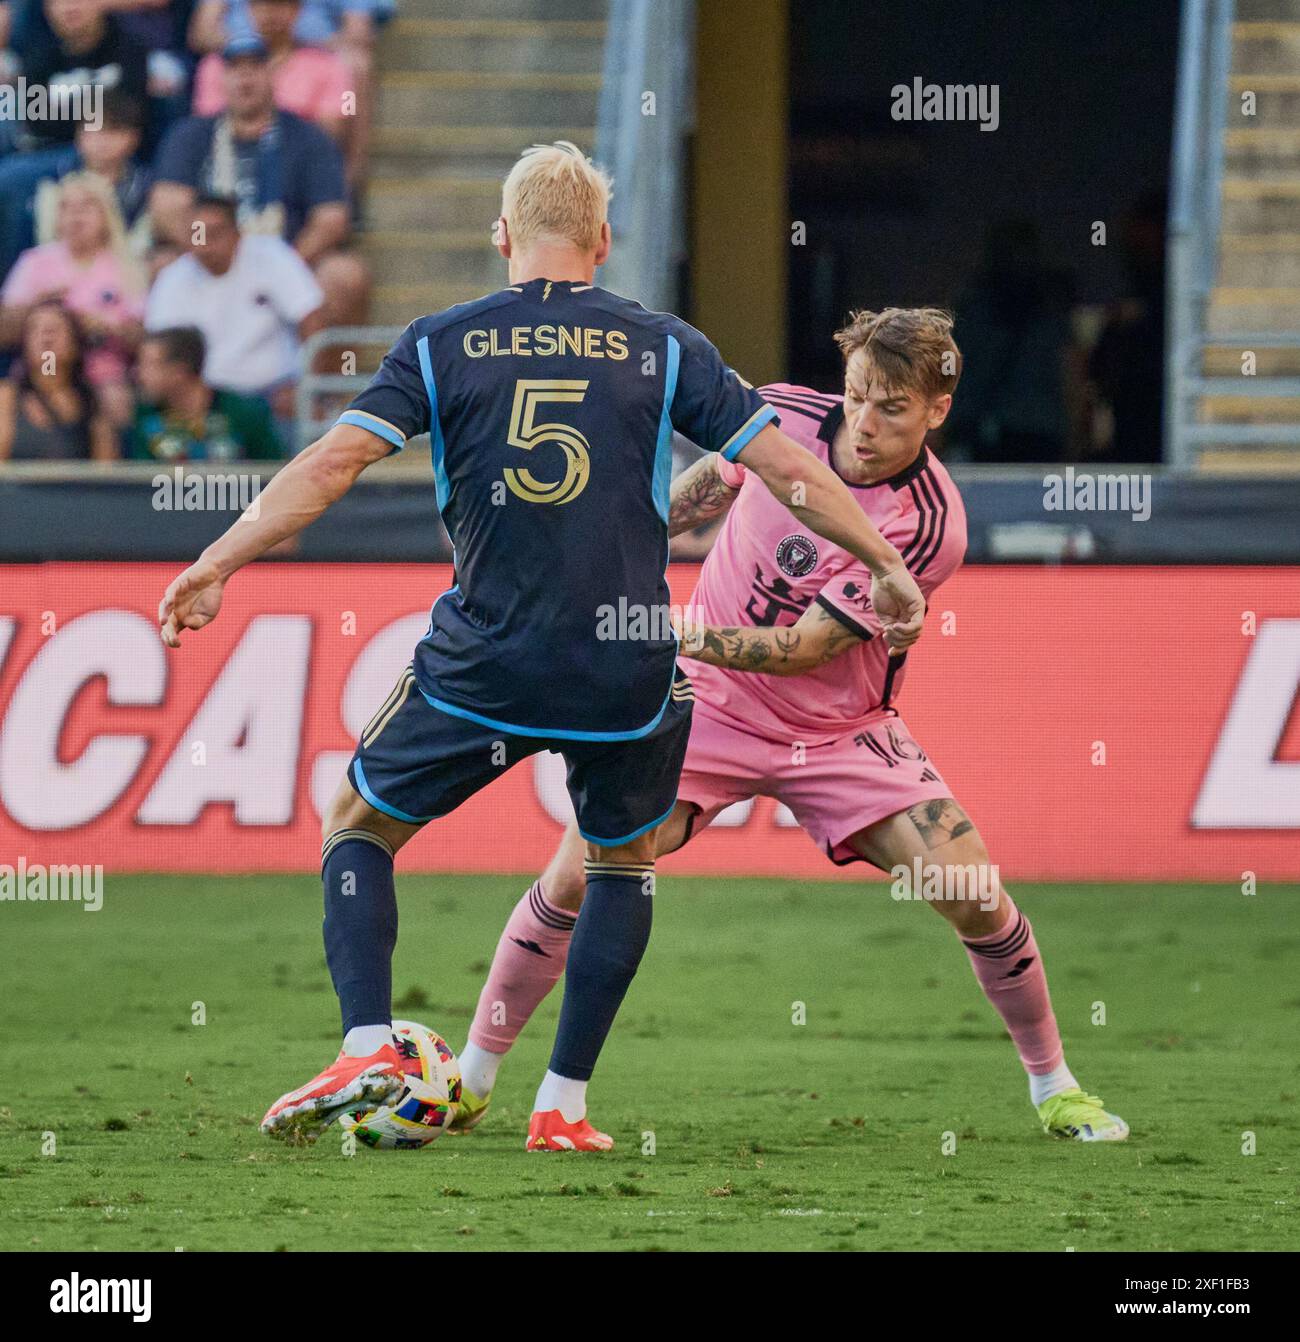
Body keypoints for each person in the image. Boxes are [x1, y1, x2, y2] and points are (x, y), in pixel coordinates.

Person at [155, 142, 926, 1153]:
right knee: (620, 866)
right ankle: (561, 1104)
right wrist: (885, 562)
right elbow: (790, 472)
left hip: (486, 662)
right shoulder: (665, 348)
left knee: (357, 823)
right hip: (623, 667)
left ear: (502, 239)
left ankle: (365, 1043)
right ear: (603, 243)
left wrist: (218, 557)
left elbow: (331, 463)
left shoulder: (440, 344)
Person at [452, 307, 1131, 1146]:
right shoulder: (783, 422)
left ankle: (1055, 1086)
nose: (865, 423)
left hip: (842, 731)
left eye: (892, 407)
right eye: (857, 398)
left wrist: (666, 629)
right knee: (578, 874)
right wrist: (582, 551)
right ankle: (471, 1081)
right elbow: (685, 502)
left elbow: (804, 649)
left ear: (936, 411)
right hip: (707, 707)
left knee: (974, 898)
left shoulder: (926, 524)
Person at [149, 32, 366, 326]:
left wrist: (280, 267)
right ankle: (174, 370)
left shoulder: (310, 138)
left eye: (255, 68)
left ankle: (321, 373)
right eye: (235, 69)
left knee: (345, 275)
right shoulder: (189, 136)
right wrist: (211, 254)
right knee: (161, 265)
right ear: (221, 79)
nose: (245, 79)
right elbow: (167, 210)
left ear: (273, 74)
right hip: (206, 258)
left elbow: (331, 219)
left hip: (289, 255)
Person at [0, 0, 150, 274]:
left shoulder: (130, 47)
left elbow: (134, 109)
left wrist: (86, 120)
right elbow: (37, 124)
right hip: (57, 151)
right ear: (47, 11)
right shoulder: (38, 56)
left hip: (121, 145)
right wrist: (92, 119)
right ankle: (16, 284)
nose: (70, 7)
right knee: (7, 178)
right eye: (58, 1)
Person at [144, 194, 324, 418]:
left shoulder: (271, 256)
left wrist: (305, 384)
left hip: (273, 394)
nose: (205, 244)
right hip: (207, 400)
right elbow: (160, 346)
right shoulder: (172, 278)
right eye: (197, 234)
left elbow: (311, 316)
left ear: (237, 234)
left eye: (215, 233)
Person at [0, 171, 145, 426]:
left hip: (105, 376)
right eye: (66, 207)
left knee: (116, 402)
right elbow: (3, 332)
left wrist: (106, 327)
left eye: (86, 206)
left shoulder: (128, 267)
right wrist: (37, 306)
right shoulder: (35, 262)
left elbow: (145, 341)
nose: (75, 216)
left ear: (106, 215)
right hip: (40, 375)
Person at [190, 0, 350, 143]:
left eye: (281, 4)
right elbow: (206, 128)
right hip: (229, 163)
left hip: (303, 163)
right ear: (249, 8)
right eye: (261, 3)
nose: (270, 12)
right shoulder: (215, 65)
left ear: (298, 9)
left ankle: (357, 168)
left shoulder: (331, 66)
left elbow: (335, 127)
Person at [128, 324, 284, 460]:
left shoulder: (244, 413)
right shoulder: (144, 416)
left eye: (149, 365)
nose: (139, 374)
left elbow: (273, 471)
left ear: (180, 370)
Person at [0, 299, 116, 459]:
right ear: (24, 344)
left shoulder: (92, 401)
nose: (46, 336)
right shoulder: (6, 396)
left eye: (55, 329)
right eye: (36, 329)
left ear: (75, 344)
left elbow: (107, 472)